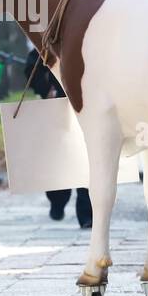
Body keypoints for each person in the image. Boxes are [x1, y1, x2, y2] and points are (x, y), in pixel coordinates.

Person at [23, 48, 93, 228]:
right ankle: (57, 201)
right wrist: (45, 89)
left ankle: (87, 214)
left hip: (88, 103)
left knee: (86, 158)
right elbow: (32, 66)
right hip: (57, 104)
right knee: (59, 158)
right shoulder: (53, 34)